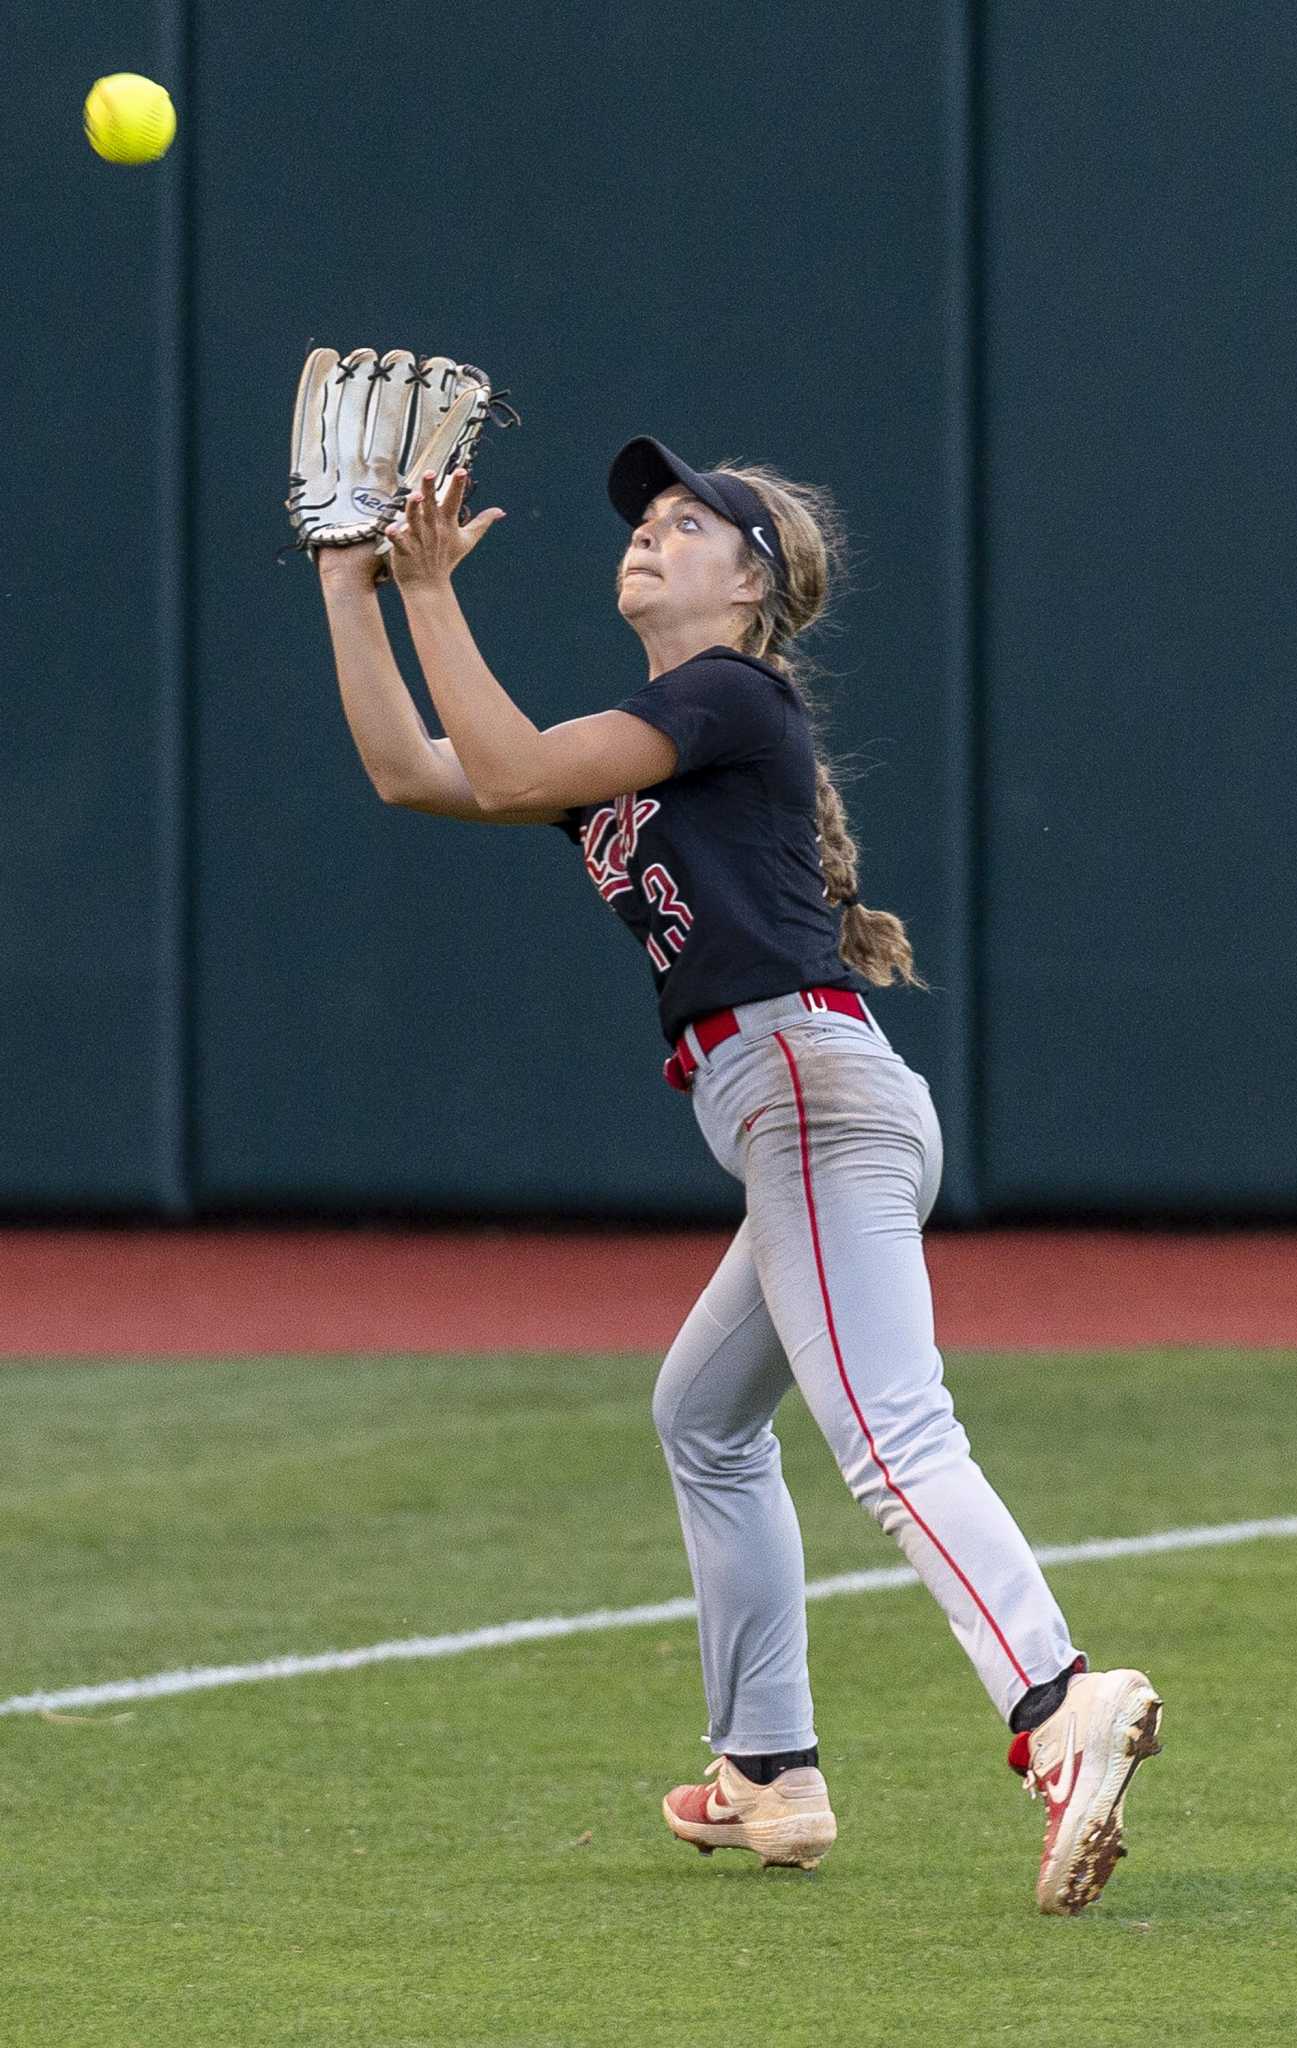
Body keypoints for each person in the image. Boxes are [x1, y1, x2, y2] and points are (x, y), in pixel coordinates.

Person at [313, 432, 1162, 1916]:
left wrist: (431, 587)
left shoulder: (723, 693)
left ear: (752, 580)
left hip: (803, 1093)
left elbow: (501, 758)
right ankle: (768, 1772)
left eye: (684, 520)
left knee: (888, 1435)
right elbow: (413, 772)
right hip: (798, 1096)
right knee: (702, 1418)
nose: (647, 531)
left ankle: (1056, 1702)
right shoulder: (662, 726)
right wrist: (348, 585)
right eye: (641, 518)